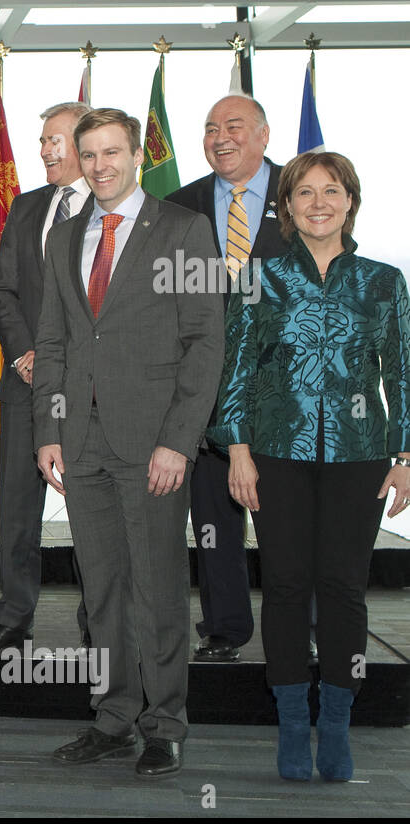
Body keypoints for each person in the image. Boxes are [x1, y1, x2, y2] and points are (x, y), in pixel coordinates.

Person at [208, 151, 410, 782]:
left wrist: (405, 454)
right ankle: (294, 722)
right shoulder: (261, 278)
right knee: (289, 587)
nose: (318, 202)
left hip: (360, 455)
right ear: (287, 207)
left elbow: (401, 373)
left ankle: (338, 723)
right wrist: (236, 448)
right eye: (304, 193)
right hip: (276, 455)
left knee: (345, 589)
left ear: (350, 200)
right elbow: (236, 370)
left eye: (331, 191)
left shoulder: (384, 282)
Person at [33, 109, 222, 777]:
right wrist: (48, 431)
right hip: (79, 444)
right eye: (89, 153)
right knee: (103, 591)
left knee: (158, 587)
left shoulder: (183, 228)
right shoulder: (63, 238)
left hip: (152, 446)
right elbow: (52, 344)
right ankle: (113, 717)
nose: (101, 164)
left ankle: (164, 723)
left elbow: (206, 341)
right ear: (78, 160)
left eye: (113, 151)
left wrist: (178, 440)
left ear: (136, 154)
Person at [167, 93, 286, 663]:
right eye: (211, 128)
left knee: (289, 520)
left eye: (234, 126)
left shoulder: (303, 190)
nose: (221, 137)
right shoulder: (179, 204)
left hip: (289, 389)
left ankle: (301, 627)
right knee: (213, 517)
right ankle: (224, 627)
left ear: (264, 134)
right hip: (205, 391)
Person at [0, 101, 92, 656]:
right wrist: (25, 356)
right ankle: (14, 616)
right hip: (25, 385)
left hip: (95, 391)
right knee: (17, 510)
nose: (44, 150)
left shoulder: (117, 211)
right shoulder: (24, 208)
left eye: (55, 140)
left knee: (92, 510)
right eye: (43, 140)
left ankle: (99, 620)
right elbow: (3, 291)